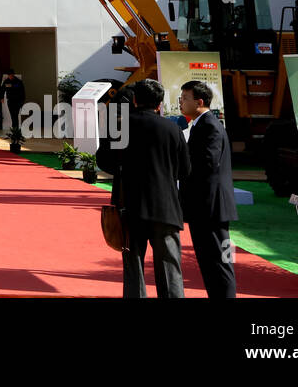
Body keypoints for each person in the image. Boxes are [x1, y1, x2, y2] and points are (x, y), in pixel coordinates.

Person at [97, 79, 190, 298]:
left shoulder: (120, 126)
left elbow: (104, 161)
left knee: (133, 266)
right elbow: (185, 170)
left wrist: (124, 169)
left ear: (135, 100)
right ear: (159, 104)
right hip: (165, 206)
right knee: (169, 267)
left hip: (129, 204)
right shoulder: (173, 129)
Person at [179, 80, 238, 298]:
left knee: (220, 262)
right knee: (209, 262)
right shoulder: (200, 124)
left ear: (200, 102)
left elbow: (207, 163)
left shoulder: (210, 125)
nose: (180, 102)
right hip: (204, 206)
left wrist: (181, 165)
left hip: (212, 207)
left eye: (185, 98)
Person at [0, 70, 25, 143]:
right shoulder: (6, 81)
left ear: (13, 75)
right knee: (13, 116)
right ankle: (15, 131)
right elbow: (2, 90)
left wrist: (22, 102)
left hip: (17, 101)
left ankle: (16, 131)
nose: (10, 76)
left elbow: (22, 92)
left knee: (15, 116)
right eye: (9, 75)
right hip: (10, 101)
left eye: (11, 75)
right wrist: (1, 97)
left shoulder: (18, 81)